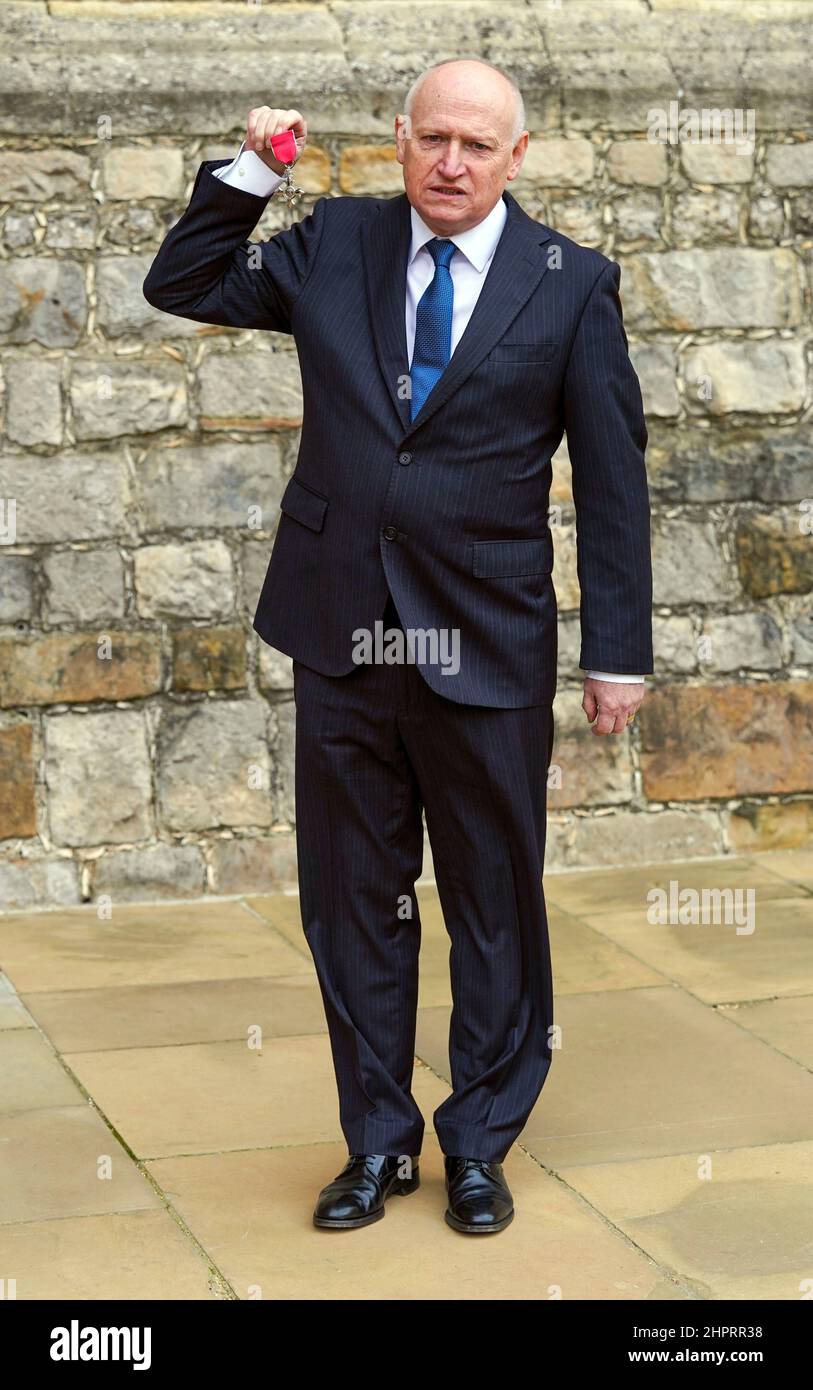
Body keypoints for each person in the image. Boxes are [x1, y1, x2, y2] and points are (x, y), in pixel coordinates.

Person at [143, 57, 652, 1236]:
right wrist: (249, 175)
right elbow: (186, 281)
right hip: (342, 631)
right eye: (433, 139)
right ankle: (377, 1142)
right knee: (351, 899)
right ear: (398, 138)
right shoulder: (336, 245)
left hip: (488, 637)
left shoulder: (571, 285)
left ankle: (479, 1142)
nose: (452, 163)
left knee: (492, 902)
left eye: (478, 145)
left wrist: (615, 651)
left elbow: (614, 485)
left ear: (516, 157)